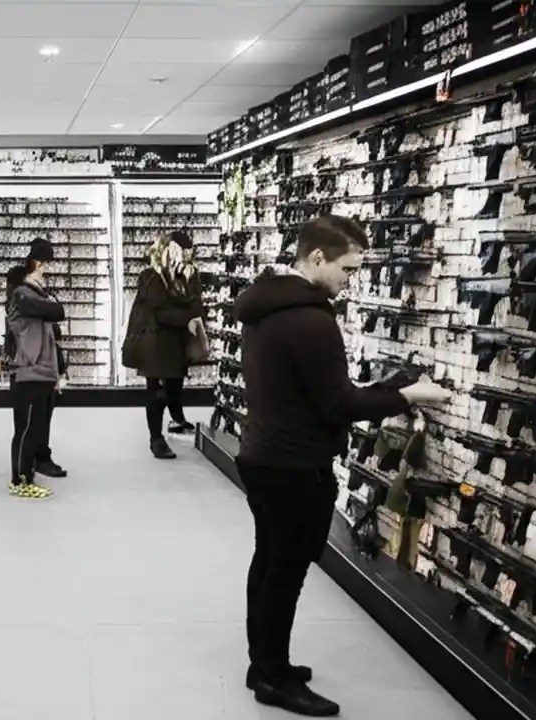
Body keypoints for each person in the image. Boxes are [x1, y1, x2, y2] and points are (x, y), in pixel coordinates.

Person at [232, 215, 451, 716]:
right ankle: (273, 678)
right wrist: (404, 395)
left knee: (268, 561)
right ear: (316, 259)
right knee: (285, 571)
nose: (352, 279)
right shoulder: (311, 320)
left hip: (262, 454)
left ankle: (264, 662)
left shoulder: (265, 305)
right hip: (294, 465)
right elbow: (337, 405)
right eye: (348, 269)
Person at [121, 231, 204, 460]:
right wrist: (187, 315)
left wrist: (190, 283)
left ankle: (176, 420)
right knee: (156, 394)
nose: (182, 258)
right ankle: (156, 439)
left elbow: (196, 306)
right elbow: (163, 313)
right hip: (154, 346)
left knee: (173, 388)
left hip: (173, 344)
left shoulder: (184, 276)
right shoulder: (150, 277)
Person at [5, 239, 67, 499]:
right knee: (26, 428)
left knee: (37, 428)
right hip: (27, 371)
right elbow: (56, 311)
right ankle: (19, 479)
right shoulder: (22, 294)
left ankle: (27, 474)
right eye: (47, 265)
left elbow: (54, 323)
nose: (49, 273)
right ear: (38, 264)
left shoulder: (36, 295)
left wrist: (58, 372)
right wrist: (46, 298)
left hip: (42, 372)